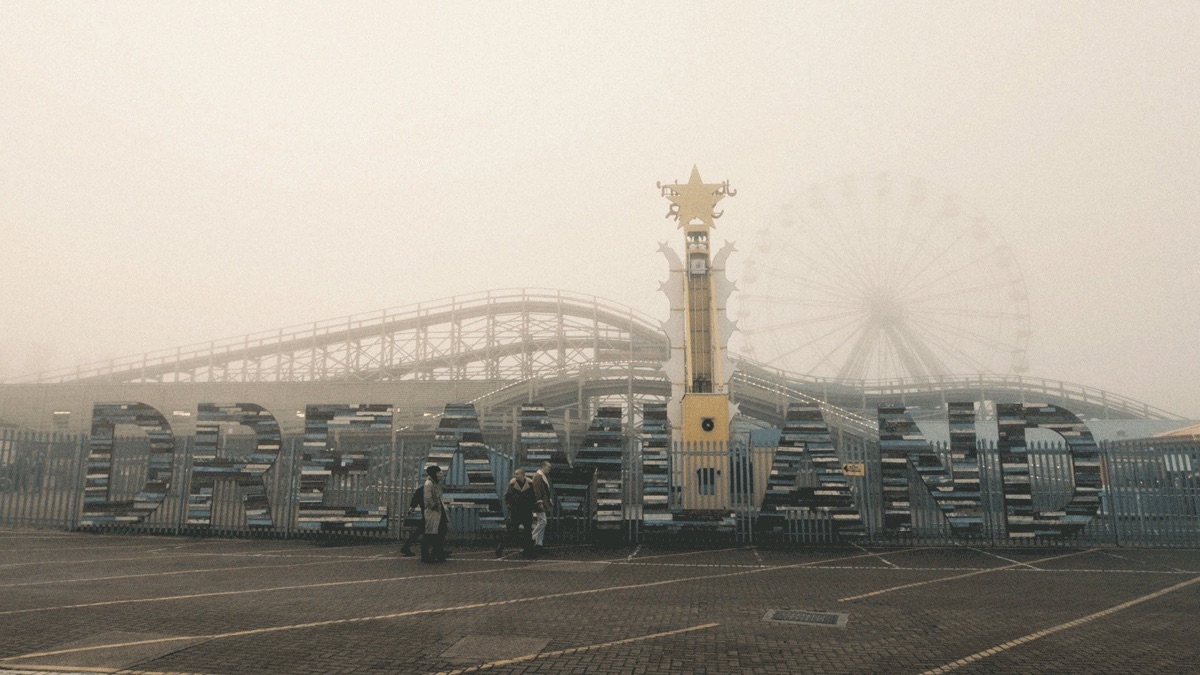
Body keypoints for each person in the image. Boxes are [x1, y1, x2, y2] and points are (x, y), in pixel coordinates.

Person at [496, 467, 535, 558]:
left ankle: (528, 552)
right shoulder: (512, 484)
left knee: (528, 533)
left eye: (517, 473)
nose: (515, 475)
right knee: (511, 532)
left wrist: (531, 507)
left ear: (522, 474)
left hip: (526, 511)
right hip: (516, 511)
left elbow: (533, 496)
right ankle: (500, 547)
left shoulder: (530, 484)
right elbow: (507, 496)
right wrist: (510, 506)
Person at [421, 465, 450, 563]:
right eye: (439, 473)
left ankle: (437, 553)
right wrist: (435, 506)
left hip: (438, 512)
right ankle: (426, 555)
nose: (441, 475)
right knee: (430, 534)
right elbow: (428, 498)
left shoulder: (434, 483)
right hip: (433, 512)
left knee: (440, 531)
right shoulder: (429, 484)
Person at [530, 460, 554, 557]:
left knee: (541, 522)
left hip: (542, 502)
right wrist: (539, 502)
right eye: (548, 467)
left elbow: (545, 490)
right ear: (543, 466)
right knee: (543, 521)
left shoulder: (543, 476)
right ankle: (531, 538)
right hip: (539, 503)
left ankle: (539, 544)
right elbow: (537, 490)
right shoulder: (537, 476)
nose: (549, 469)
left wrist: (549, 499)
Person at [399, 480, 425, 557]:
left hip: (426, 512)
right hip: (428, 513)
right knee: (421, 530)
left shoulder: (424, 487)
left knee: (420, 530)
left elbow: (417, 494)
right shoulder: (430, 486)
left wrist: (413, 506)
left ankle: (406, 547)